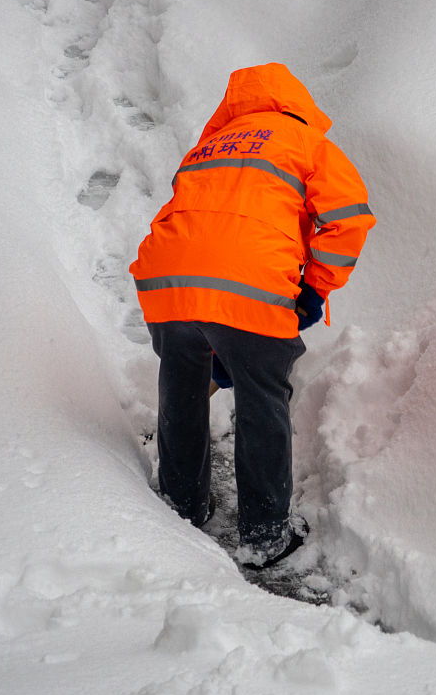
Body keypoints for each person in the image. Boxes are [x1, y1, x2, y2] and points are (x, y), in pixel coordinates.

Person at [129, 63, 375, 568]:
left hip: (166, 280)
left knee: (182, 387)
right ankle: (265, 536)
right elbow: (348, 218)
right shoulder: (307, 143)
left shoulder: (209, 147)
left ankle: (181, 509)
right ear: (295, 102)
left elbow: (191, 219)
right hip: (250, 284)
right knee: (262, 399)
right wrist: (315, 288)